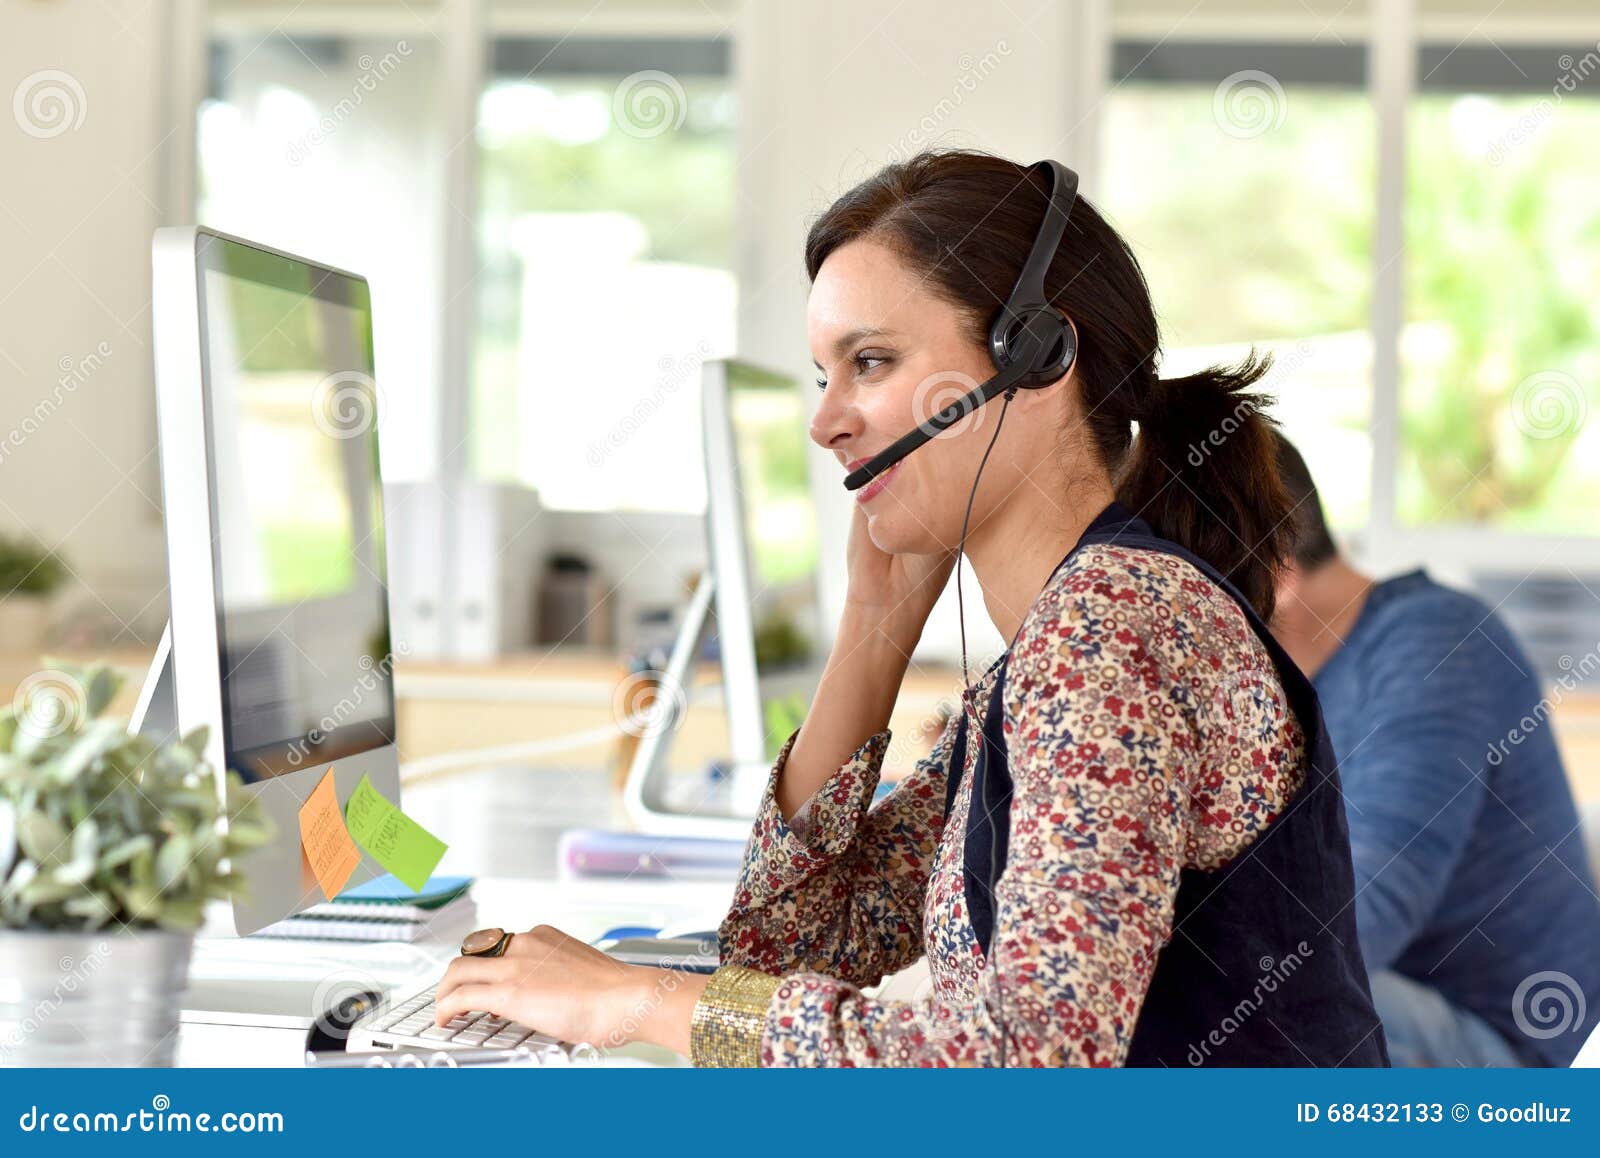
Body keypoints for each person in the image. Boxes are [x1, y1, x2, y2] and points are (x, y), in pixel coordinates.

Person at [431, 150, 1389, 1067]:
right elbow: (789, 948)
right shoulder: (1047, 649)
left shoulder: (1110, 636)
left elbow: (1026, 1072)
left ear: (1040, 356)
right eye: (824, 376)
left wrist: (629, 1002)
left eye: (873, 362)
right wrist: (873, 625)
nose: (826, 421)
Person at [1269, 435, 1600, 1067]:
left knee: (1243, 1017)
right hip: (1402, 1002)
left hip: (1512, 1050)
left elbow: (1368, 911)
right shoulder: (1292, 682)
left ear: (1277, 571)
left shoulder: (1439, 643)